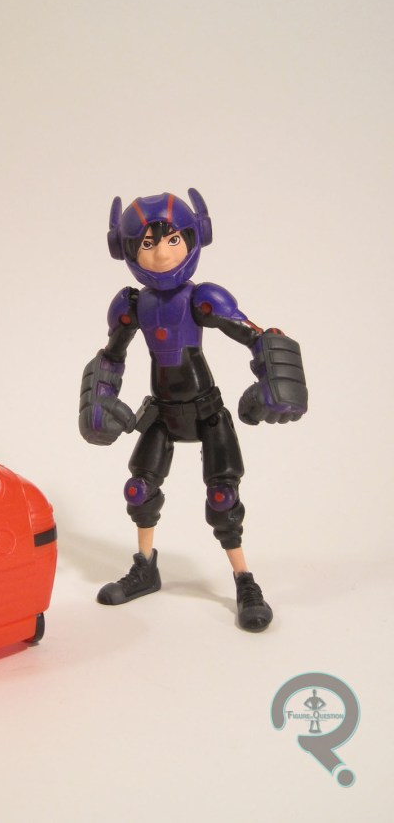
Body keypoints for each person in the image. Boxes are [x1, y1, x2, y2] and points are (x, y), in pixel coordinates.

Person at [79, 190, 308, 631]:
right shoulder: (132, 306)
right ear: (126, 250)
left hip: (207, 412)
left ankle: (244, 581)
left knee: (223, 499)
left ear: (194, 237)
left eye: (172, 239)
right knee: (138, 491)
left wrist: (276, 381)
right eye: (148, 243)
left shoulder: (202, 298)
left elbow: (255, 335)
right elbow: (111, 356)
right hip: (163, 413)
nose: (162, 253)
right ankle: (145, 568)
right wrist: (99, 400)